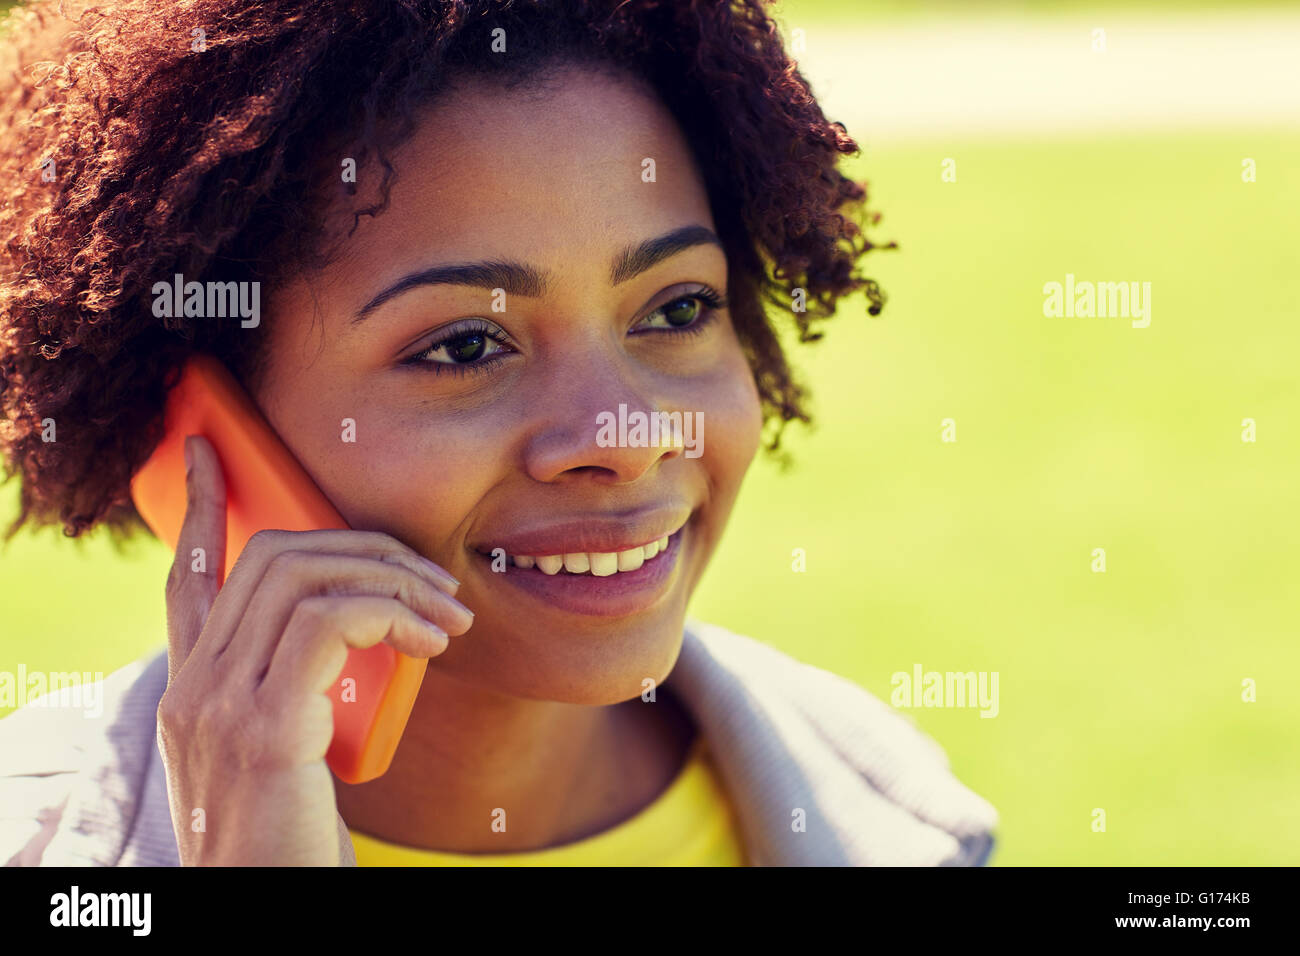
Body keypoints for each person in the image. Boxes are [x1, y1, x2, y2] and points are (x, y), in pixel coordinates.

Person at [0, 0, 996, 866]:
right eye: (468, 344)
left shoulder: (891, 808)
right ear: (200, 428)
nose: (626, 436)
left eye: (679, 308)